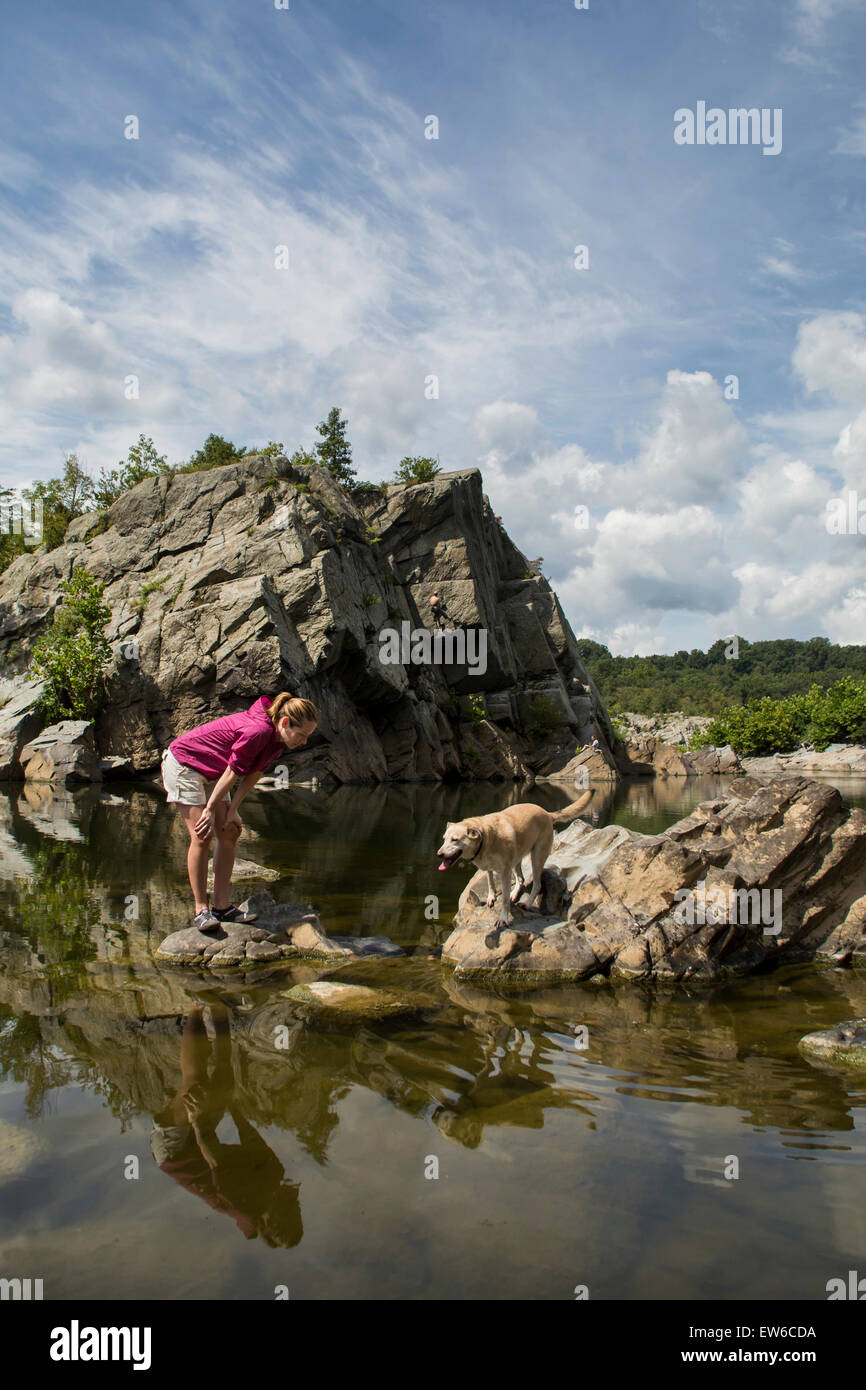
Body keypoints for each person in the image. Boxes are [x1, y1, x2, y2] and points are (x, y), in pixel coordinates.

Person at [161, 691, 318, 931]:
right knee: (201, 835)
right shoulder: (257, 731)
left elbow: (254, 774)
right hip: (185, 764)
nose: (304, 742)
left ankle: (222, 908)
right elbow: (233, 772)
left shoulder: (276, 740)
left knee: (230, 831)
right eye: (302, 735)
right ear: (285, 723)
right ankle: (201, 910)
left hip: (214, 771)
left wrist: (233, 810)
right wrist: (209, 810)